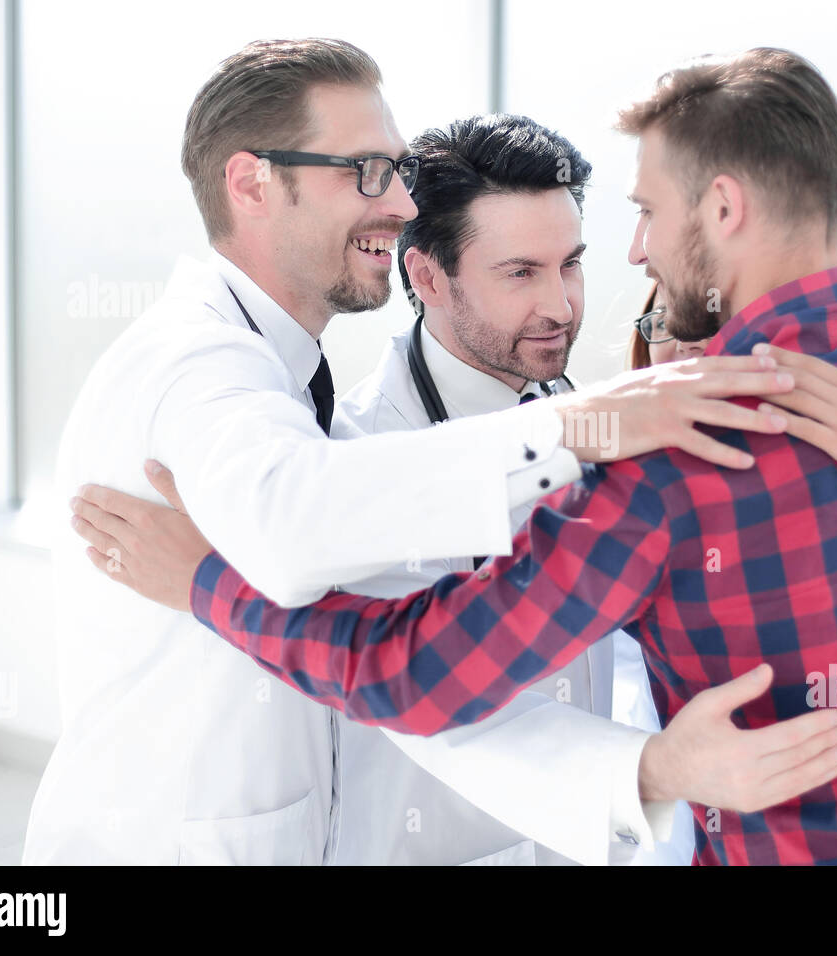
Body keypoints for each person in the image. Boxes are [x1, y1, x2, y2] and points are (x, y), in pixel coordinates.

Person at [71, 48, 837, 864]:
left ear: (725, 203)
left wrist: (210, 588)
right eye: (524, 272)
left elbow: (407, 672)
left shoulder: (665, 456)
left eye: (634, 220)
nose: (626, 262)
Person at [22, 39, 823, 866]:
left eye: (572, 265)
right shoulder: (213, 372)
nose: (399, 200)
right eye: (366, 171)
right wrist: (588, 427)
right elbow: (400, 663)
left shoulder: (295, 384)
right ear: (252, 182)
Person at [323, 112, 706, 865]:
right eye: (521, 273)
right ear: (427, 275)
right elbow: (429, 695)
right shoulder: (360, 458)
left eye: (571, 264)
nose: (562, 307)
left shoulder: (576, 410)